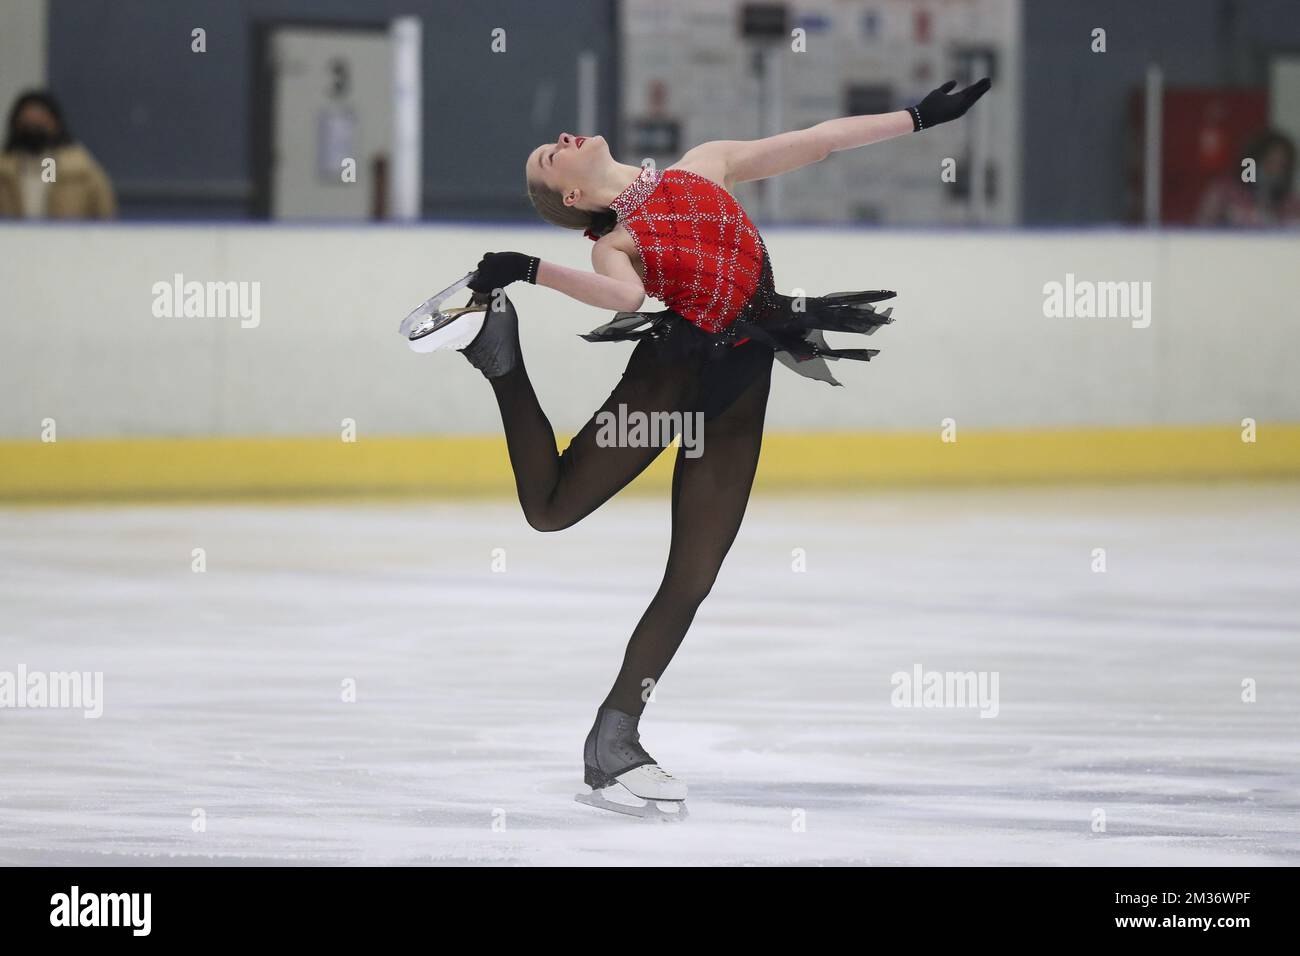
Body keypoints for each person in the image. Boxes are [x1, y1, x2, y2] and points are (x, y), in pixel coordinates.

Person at [414, 78, 991, 817]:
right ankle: (501, 356)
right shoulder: (614, 243)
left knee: (694, 573)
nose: (558, 143)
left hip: (744, 378)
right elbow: (624, 299)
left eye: (551, 143)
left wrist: (916, 118)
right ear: (576, 202)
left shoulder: (704, 163)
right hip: (673, 380)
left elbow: (817, 142)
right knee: (551, 509)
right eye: (545, 161)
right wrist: (529, 269)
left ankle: (614, 739)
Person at [0, 90, 117, 219]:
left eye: (40, 121)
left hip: (68, 238)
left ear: (55, 123)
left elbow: (105, 215)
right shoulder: (5, 170)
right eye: (27, 122)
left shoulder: (82, 172)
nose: (33, 127)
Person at [1196, 128, 1300, 227]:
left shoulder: (1291, 202)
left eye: (1281, 165)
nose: (1274, 170)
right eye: (1269, 162)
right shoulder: (1223, 191)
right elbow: (1202, 229)